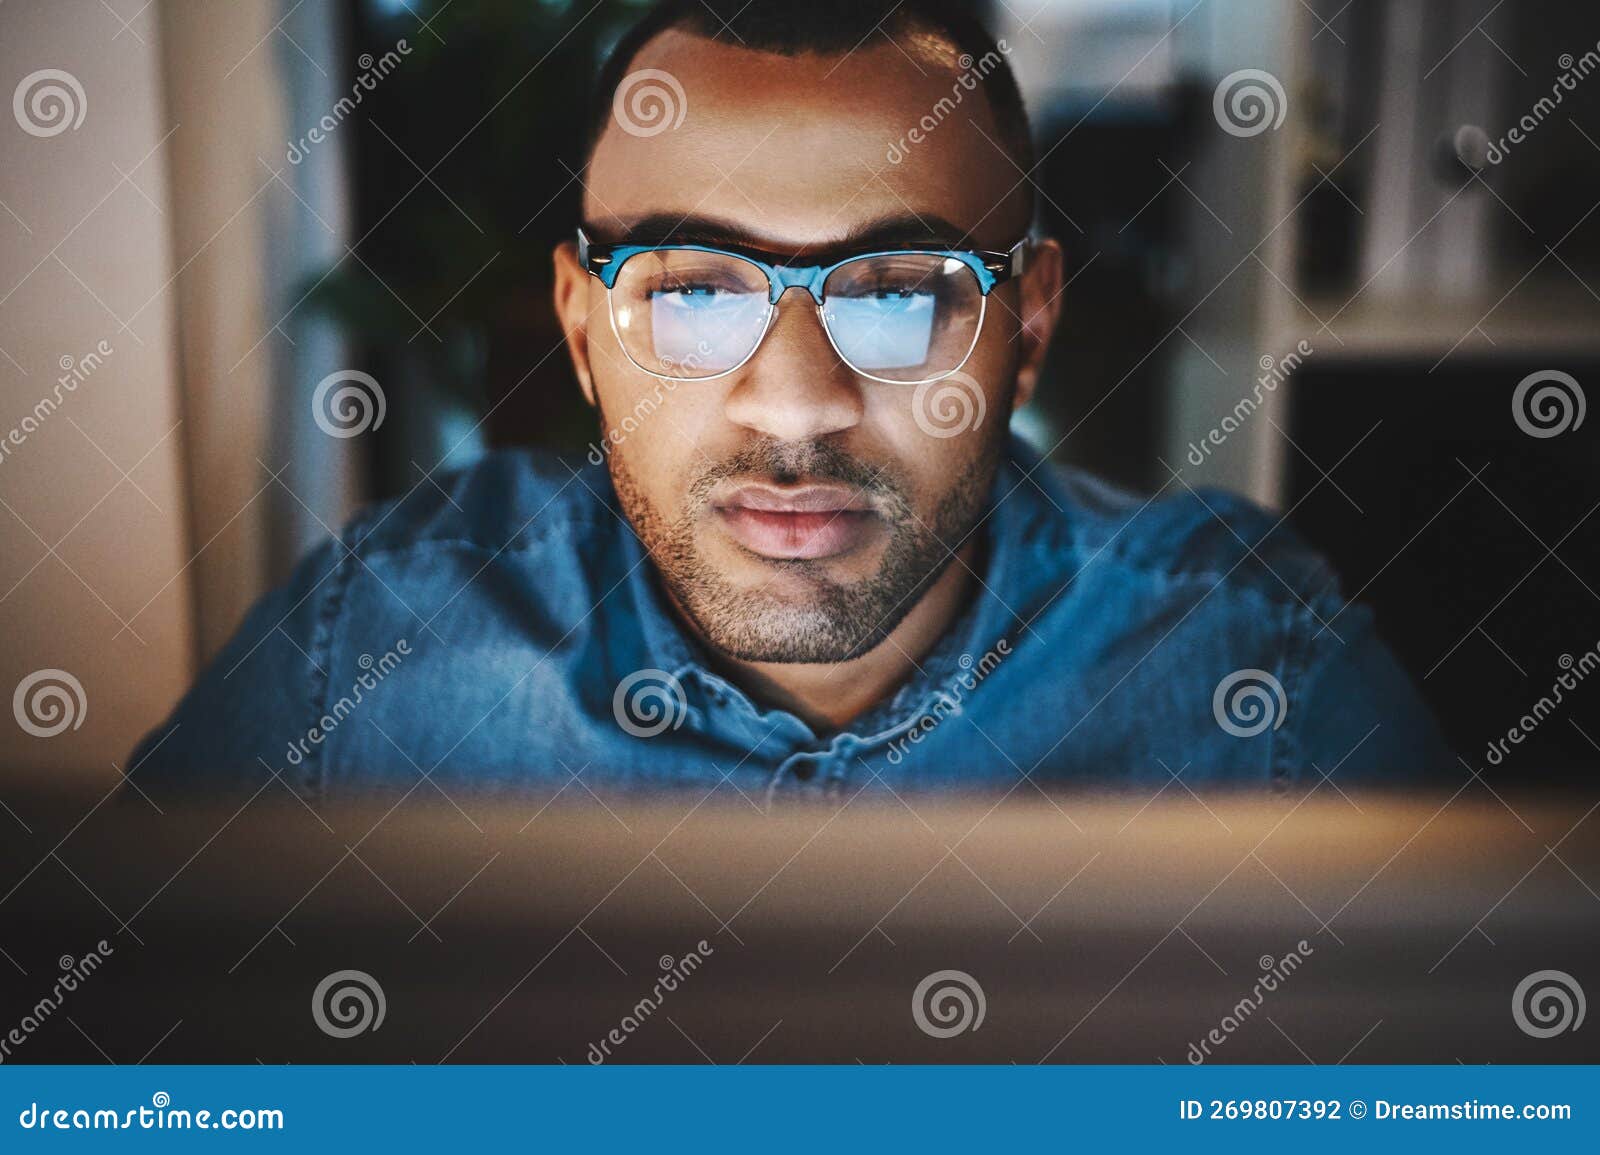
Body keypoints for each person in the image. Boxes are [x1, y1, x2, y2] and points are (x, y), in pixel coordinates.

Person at [131, 0, 1454, 801]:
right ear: (586, 334)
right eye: (697, 292)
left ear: (1028, 324)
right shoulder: (361, 660)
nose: (798, 408)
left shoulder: (1254, 678)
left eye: (896, 293)